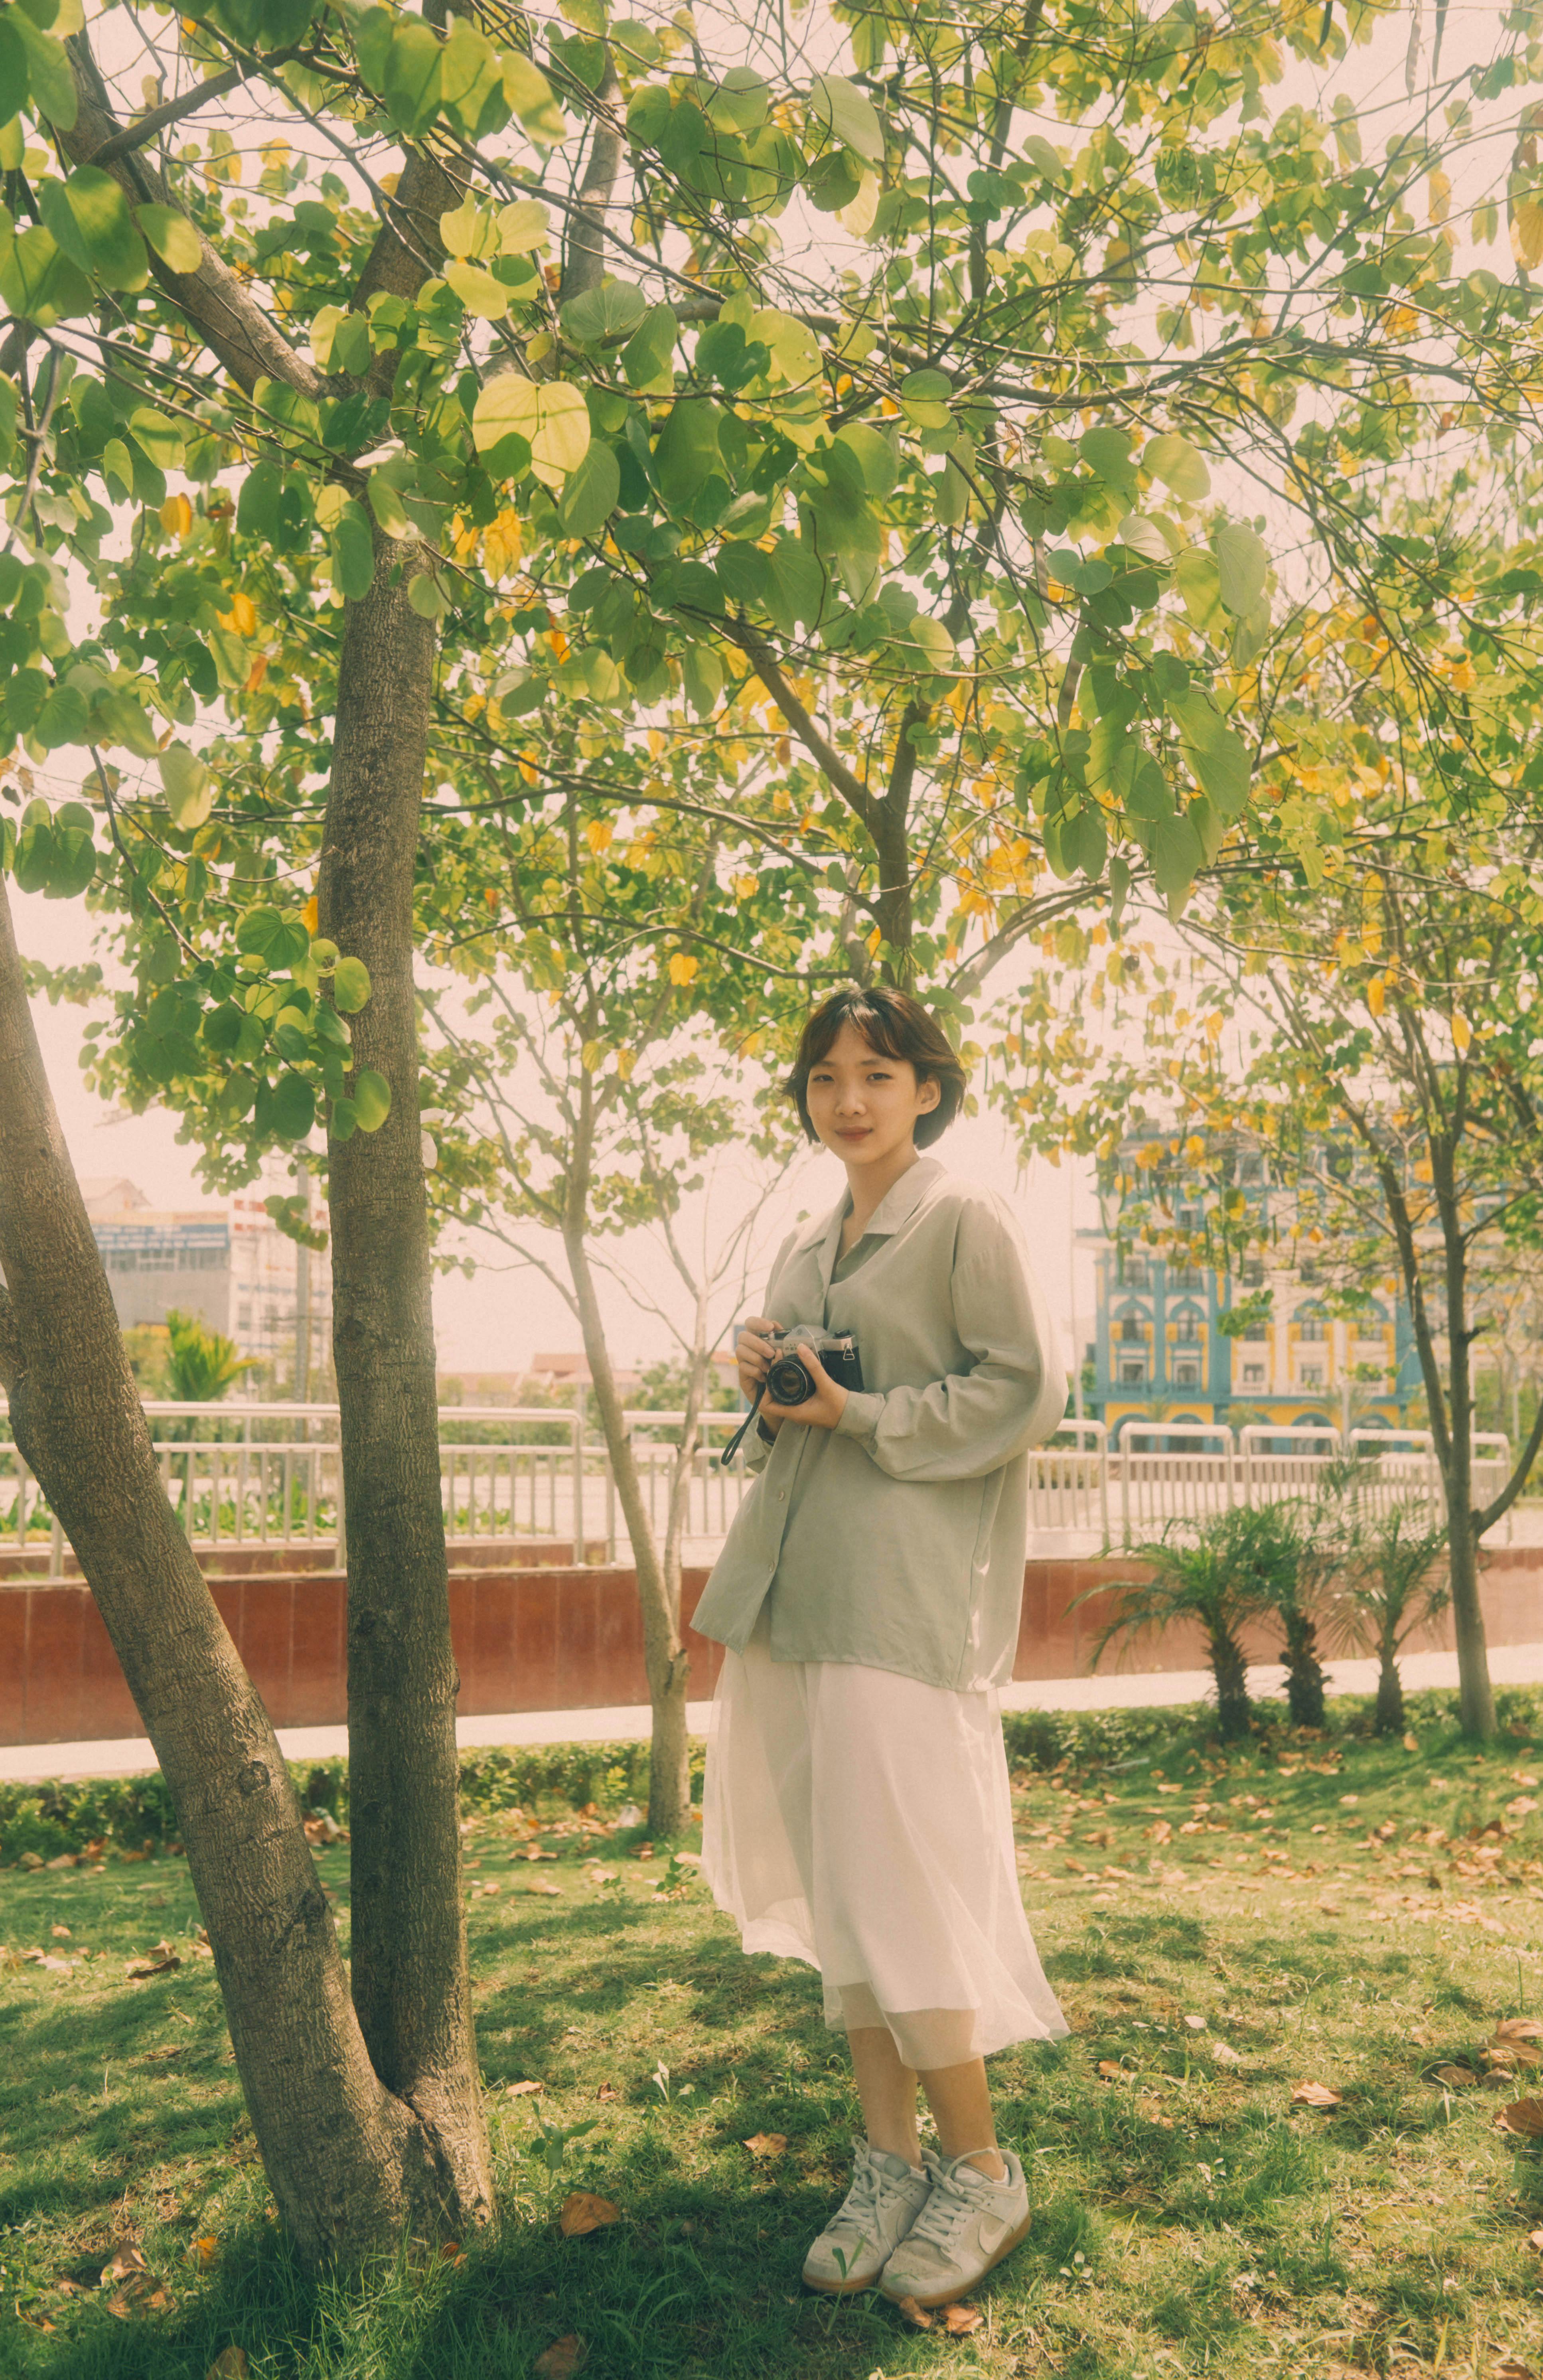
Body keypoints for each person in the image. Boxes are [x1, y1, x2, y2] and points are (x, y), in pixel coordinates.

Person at [693, 985, 1069, 2312]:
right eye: (825, 1078)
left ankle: (980, 2169)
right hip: (794, 1596)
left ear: (927, 1086)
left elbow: (1024, 1387)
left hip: (901, 1605)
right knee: (847, 1896)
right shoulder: (812, 1238)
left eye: (877, 1073)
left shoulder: (963, 1216)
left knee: (904, 1888)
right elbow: (808, 1393)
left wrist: (859, 1412)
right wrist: (766, 1365)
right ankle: (888, 2164)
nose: (848, 1099)